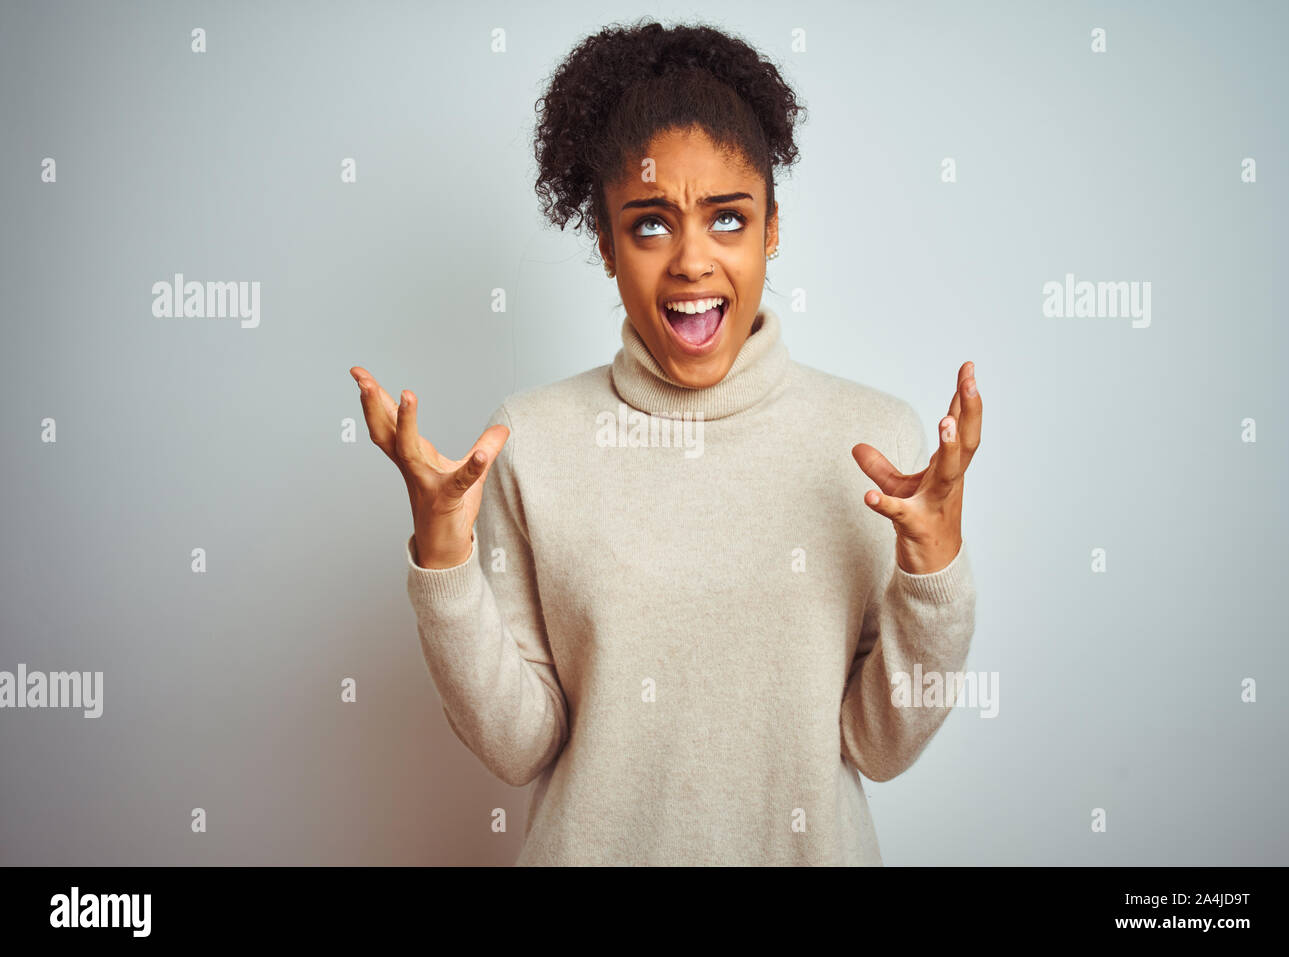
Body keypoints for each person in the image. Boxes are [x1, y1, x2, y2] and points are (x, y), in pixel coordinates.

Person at [350, 18, 981, 865]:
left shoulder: (871, 440)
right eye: (650, 225)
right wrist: (442, 557)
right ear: (606, 244)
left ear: (772, 230)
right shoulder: (531, 441)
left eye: (728, 218)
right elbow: (519, 746)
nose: (691, 260)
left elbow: (880, 745)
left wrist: (933, 565)